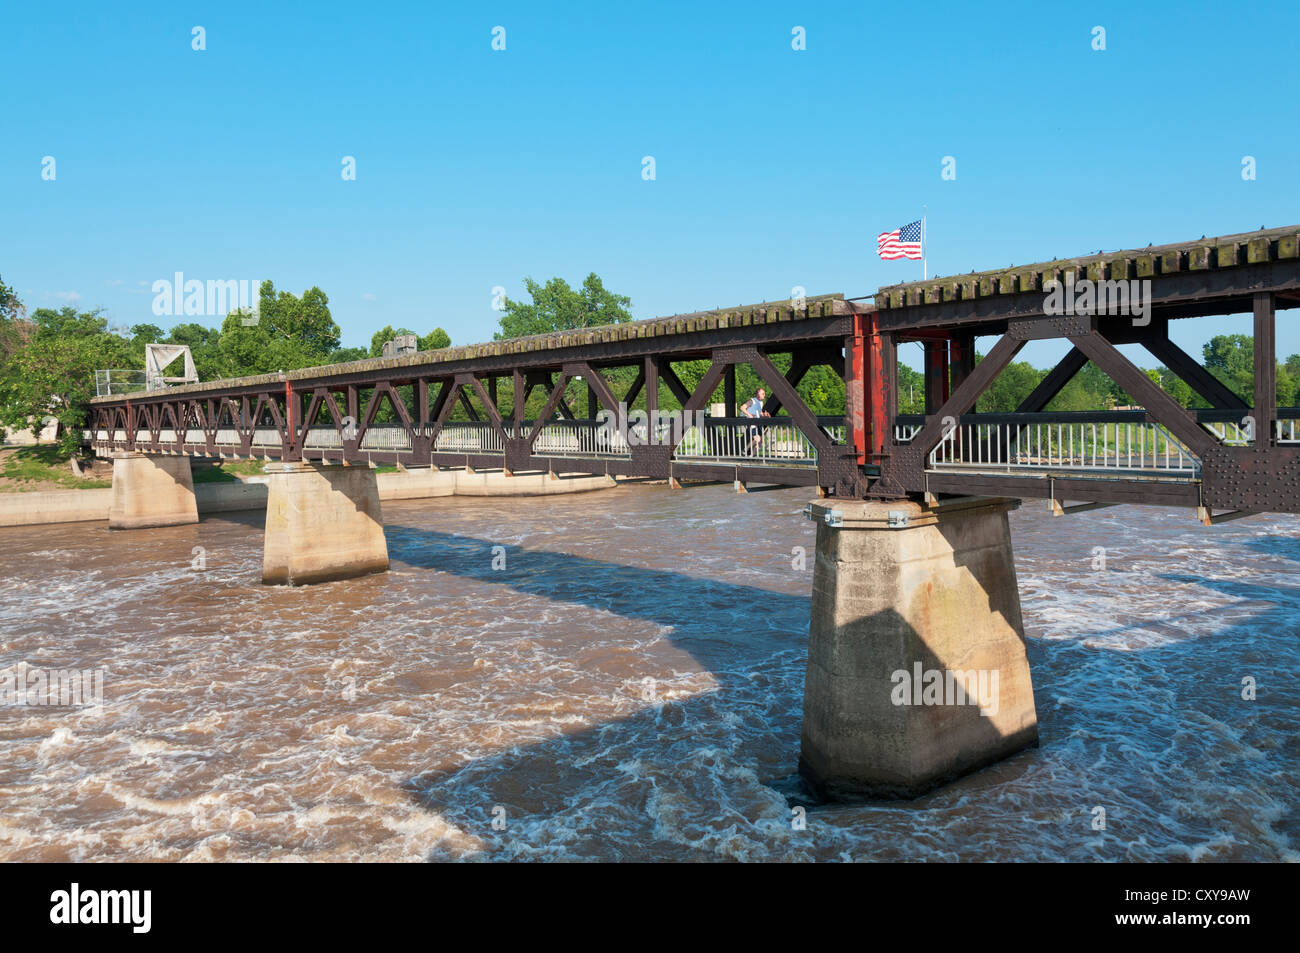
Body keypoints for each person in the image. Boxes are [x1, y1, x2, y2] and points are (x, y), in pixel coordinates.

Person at [740, 388, 770, 455]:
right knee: (757, 439)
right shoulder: (752, 401)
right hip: (752, 423)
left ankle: (753, 456)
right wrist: (749, 414)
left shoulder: (761, 403)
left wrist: (765, 415)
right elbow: (742, 407)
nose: (764, 395)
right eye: (762, 394)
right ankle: (745, 449)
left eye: (764, 394)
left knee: (760, 440)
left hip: (757, 423)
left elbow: (759, 413)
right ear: (758, 394)